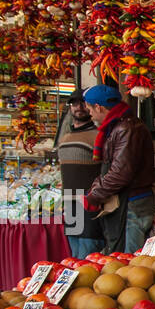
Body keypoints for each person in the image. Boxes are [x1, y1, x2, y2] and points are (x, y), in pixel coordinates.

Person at [81, 83, 155, 253]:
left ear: (99, 107)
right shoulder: (119, 126)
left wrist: (94, 196)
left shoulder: (126, 128)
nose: (90, 114)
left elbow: (120, 173)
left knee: (129, 261)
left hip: (132, 204)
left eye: (90, 109)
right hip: (129, 201)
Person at [56, 92, 102, 260]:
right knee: (74, 260)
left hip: (90, 207)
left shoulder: (99, 136)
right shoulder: (65, 138)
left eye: (83, 103)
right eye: (74, 104)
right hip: (70, 206)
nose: (79, 107)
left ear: (90, 107)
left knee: (89, 259)